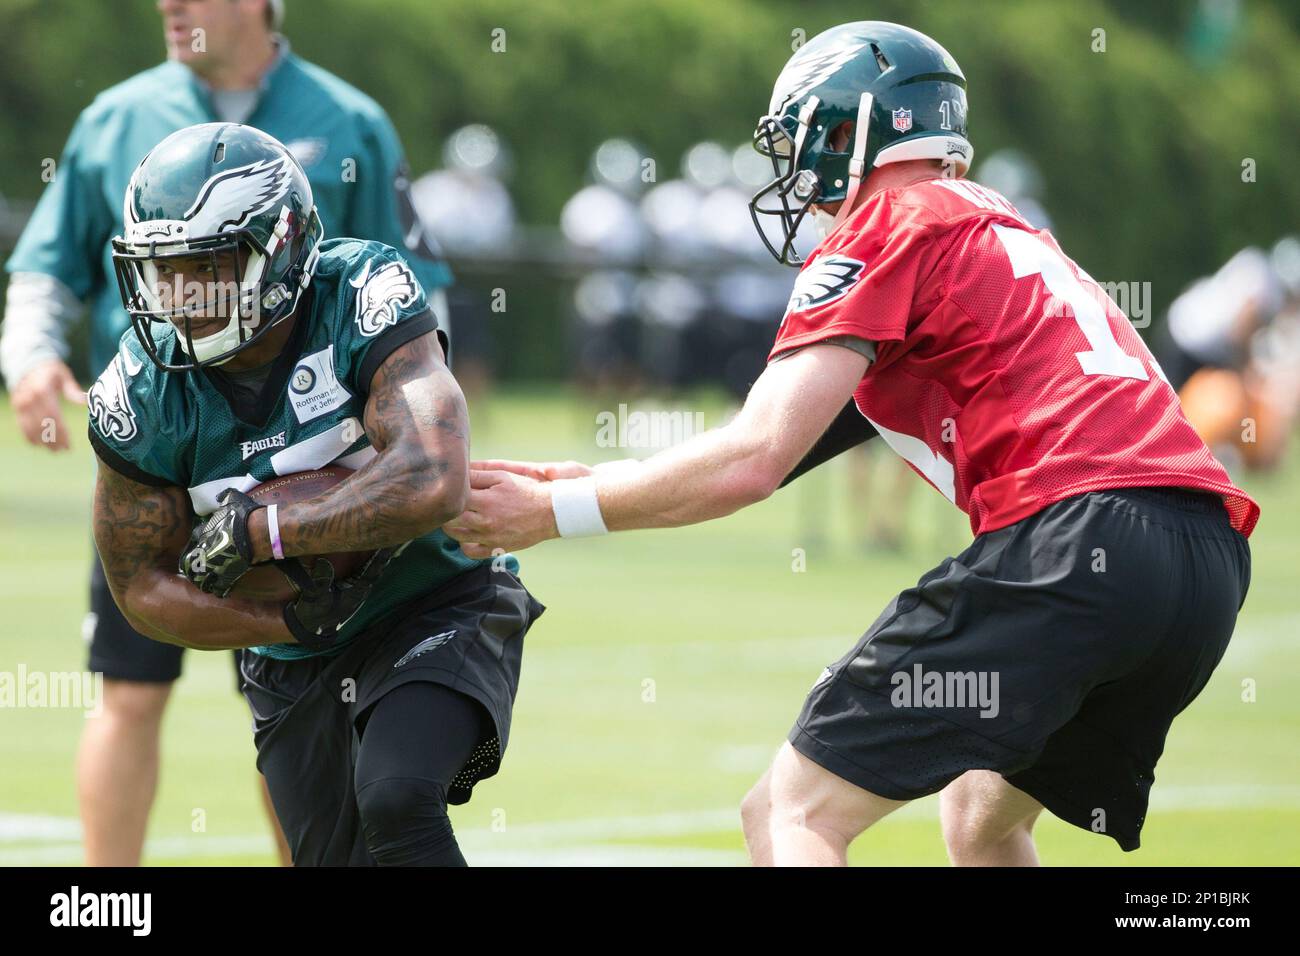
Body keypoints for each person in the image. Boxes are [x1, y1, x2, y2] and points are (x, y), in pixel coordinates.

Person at [442, 21, 1258, 865]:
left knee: (789, 812)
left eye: (806, 140)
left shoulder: (893, 221)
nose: (796, 173)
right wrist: (590, 481)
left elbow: (752, 461)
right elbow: (768, 445)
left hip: (1075, 541)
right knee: (982, 814)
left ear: (850, 132)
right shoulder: (1000, 230)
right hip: (1202, 562)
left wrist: (557, 512)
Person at [1, 0, 450, 866]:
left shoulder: (349, 119)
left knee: (300, 699)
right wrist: (28, 358)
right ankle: (107, 901)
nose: (170, 4)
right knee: (129, 690)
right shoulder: (117, 116)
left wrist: (424, 432)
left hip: (319, 457)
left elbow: (412, 288)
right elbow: (46, 263)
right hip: (160, 455)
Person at [88, 123, 540, 866]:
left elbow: (433, 473)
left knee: (397, 795)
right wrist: (285, 619)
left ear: (280, 246)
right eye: (164, 271)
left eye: (206, 266)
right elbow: (140, 586)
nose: (181, 295)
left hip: (433, 595)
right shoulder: (140, 391)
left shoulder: (360, 293)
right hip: (289, 652)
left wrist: (267, 531)